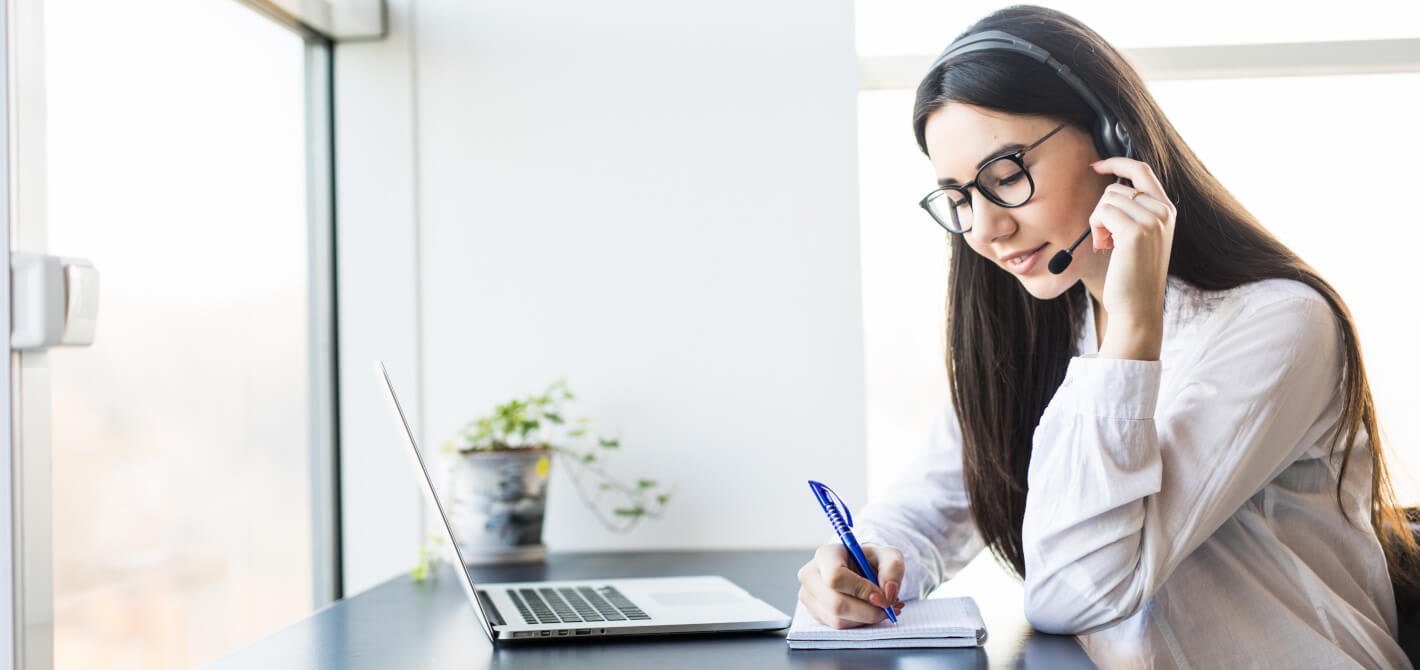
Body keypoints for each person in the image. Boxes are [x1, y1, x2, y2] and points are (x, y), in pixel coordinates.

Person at [795, 5, 1419, 668]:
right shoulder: (1043, 322)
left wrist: (1133, 331)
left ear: (1113, 139)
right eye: (959, 198)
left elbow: (1078, 588)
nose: (985, 229)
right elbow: (934, 503)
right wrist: (865, 560)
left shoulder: (1276, 326)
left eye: (1006, 177)